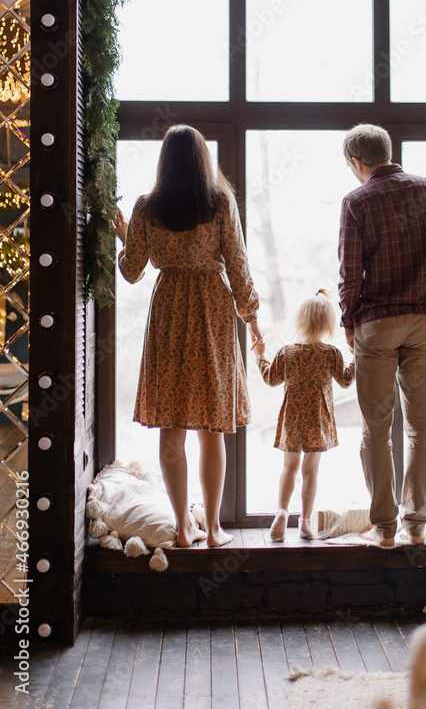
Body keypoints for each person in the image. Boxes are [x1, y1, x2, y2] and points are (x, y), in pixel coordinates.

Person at [111, 125, 263, 548]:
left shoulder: (146, 207)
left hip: (169, 312)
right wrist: (252, 317)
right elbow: (238, 267)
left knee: (172, 425)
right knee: (212, 427)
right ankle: (213, 530)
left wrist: (125, 239)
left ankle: (181, 529)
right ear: (202, 161)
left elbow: (132, 270)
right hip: (212, 312)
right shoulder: (219, 203)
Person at [338, 123, 426, 548]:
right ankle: (416, 525)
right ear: (387, 152)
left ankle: (385, 528)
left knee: (376, 427)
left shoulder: (356, 201)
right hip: (425, 320)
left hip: (376, 323)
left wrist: (347, 321)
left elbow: (349, 273)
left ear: (357, 161)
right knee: (422, 426)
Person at [251, 289, 355, 543]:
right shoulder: (330, 354)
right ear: (329, 325)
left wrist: (260, 357)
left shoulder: (287, 352)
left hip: (292, 418)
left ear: (300, 321)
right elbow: (345, 381)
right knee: (311, 471)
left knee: (289, 467)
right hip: (317, 420)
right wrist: (357, 358)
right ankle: (306, 523)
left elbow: (271, 379)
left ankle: (282, 514)